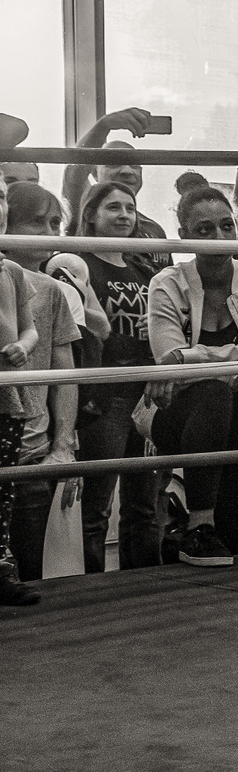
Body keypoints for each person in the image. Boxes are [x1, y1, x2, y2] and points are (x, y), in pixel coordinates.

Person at [142, 188, 238, 566]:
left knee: (231, 542)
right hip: (176, 417)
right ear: (185, 232)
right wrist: (230, 367)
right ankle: (198, 524)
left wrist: (186, 357)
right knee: (215, 392)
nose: (219, 238)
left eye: (226, 226)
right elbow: (172, 370)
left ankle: (206, 545)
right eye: (204, 229)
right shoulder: (167, 283)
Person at [71, 180, 165, 572]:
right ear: (90, 214)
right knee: (96, 505)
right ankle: (91, 583)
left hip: (145, 394)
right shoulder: (76, 263)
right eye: (113, 207)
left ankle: (141, 581)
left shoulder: (144, 266)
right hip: (104, 395)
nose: (124, 215)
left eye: (130, 207)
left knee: (144, 504)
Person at [1, 184, 83, 589]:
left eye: (56, 223)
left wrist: (63, 444)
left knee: (28, 573)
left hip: (31, 450)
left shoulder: (51, 291)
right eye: (38, 221)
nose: (49, 232)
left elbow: (64, 375)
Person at [61, 108, 172, 267]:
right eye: (114, 163)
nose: (127, 171)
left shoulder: (154, 229)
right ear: (94, 171)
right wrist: (103, 125)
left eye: (134, 165)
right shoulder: (85, 210)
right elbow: (74, 172)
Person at [0, 187, 42, 605]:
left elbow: (30, 327)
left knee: (4, 488)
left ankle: (1, 570)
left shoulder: (11, 271)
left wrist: (24, 347)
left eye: (0, 197)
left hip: (7, 396)